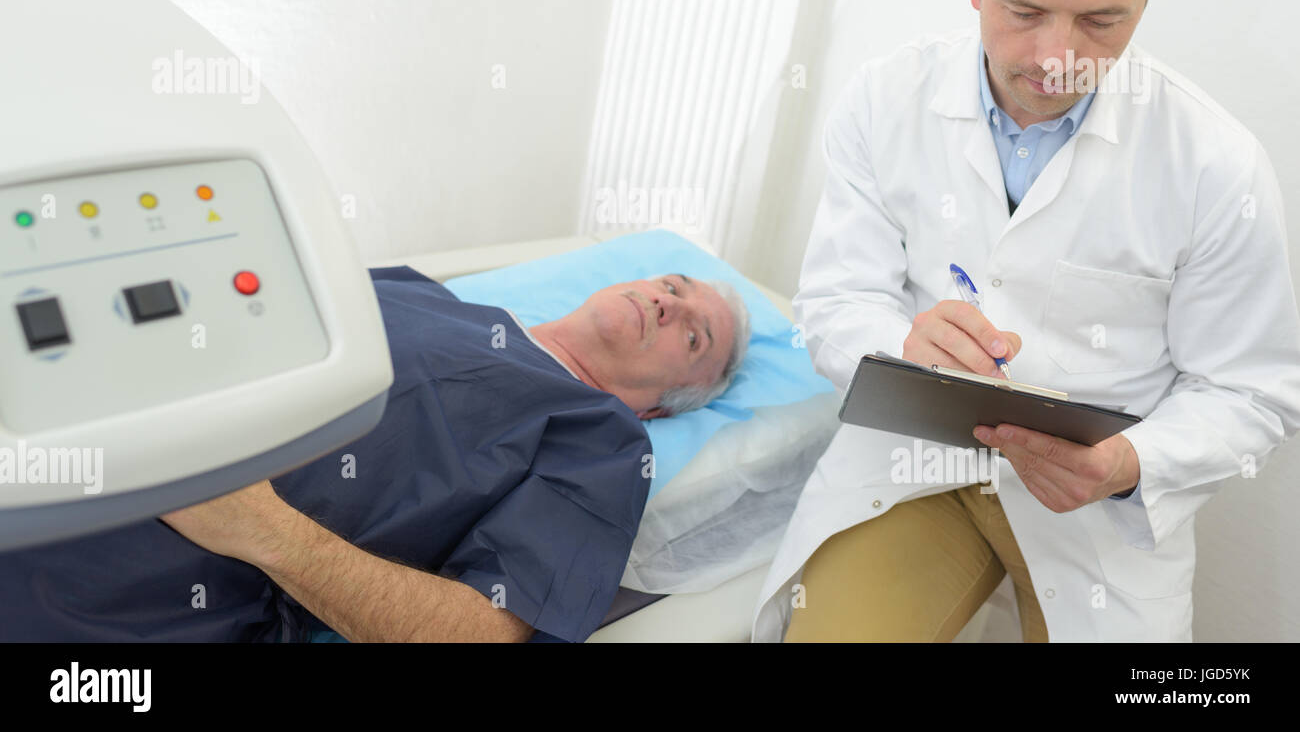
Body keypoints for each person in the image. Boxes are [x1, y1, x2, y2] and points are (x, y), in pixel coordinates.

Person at [752, 0, 1300, 642]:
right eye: (1025, 10)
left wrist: (1127, 464)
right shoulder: (885, 98)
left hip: (1099, 515)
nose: (1057, 56)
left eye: (1101, 21)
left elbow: (1253, 390)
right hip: (912, 469)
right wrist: (904, 343)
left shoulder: (1217, 165)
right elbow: (837, 298)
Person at [0, 265, 748, 643]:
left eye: (694, 336)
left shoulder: (604, 443)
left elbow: (485, 629)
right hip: (91, 422)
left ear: (658, 406)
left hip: (152, 569)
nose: (669, 302)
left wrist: (259, 527)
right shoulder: (428, 292)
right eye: (671, 284)